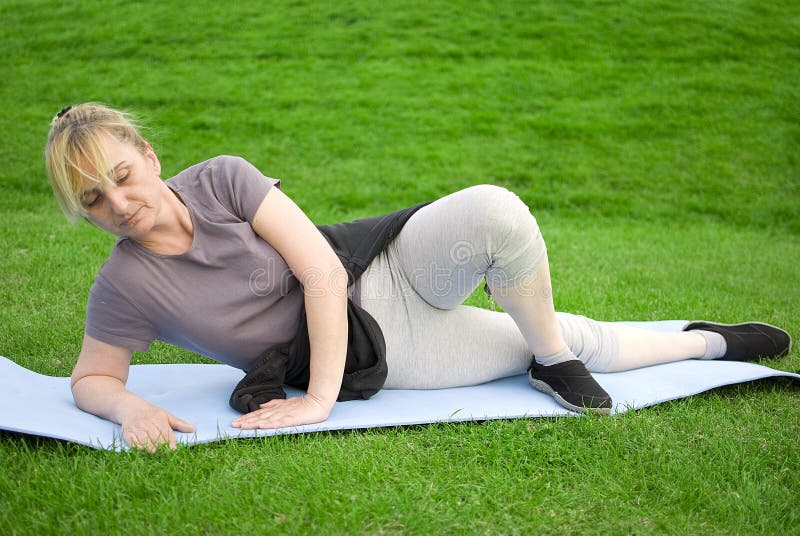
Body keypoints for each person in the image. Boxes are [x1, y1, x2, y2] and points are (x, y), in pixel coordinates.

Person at [45, 103, 791, 452]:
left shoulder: (221, 181)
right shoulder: (125, 286)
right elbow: (91, 377)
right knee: (580, 335)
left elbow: (318, 271)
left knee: (498, 210)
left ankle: (551, 362)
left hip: (378, 269)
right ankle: (706, 345)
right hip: (383, 351)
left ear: (145, 153)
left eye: (121, 175)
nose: (119, 204)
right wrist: (126, 411)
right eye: (93, 200)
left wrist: (317, 404)